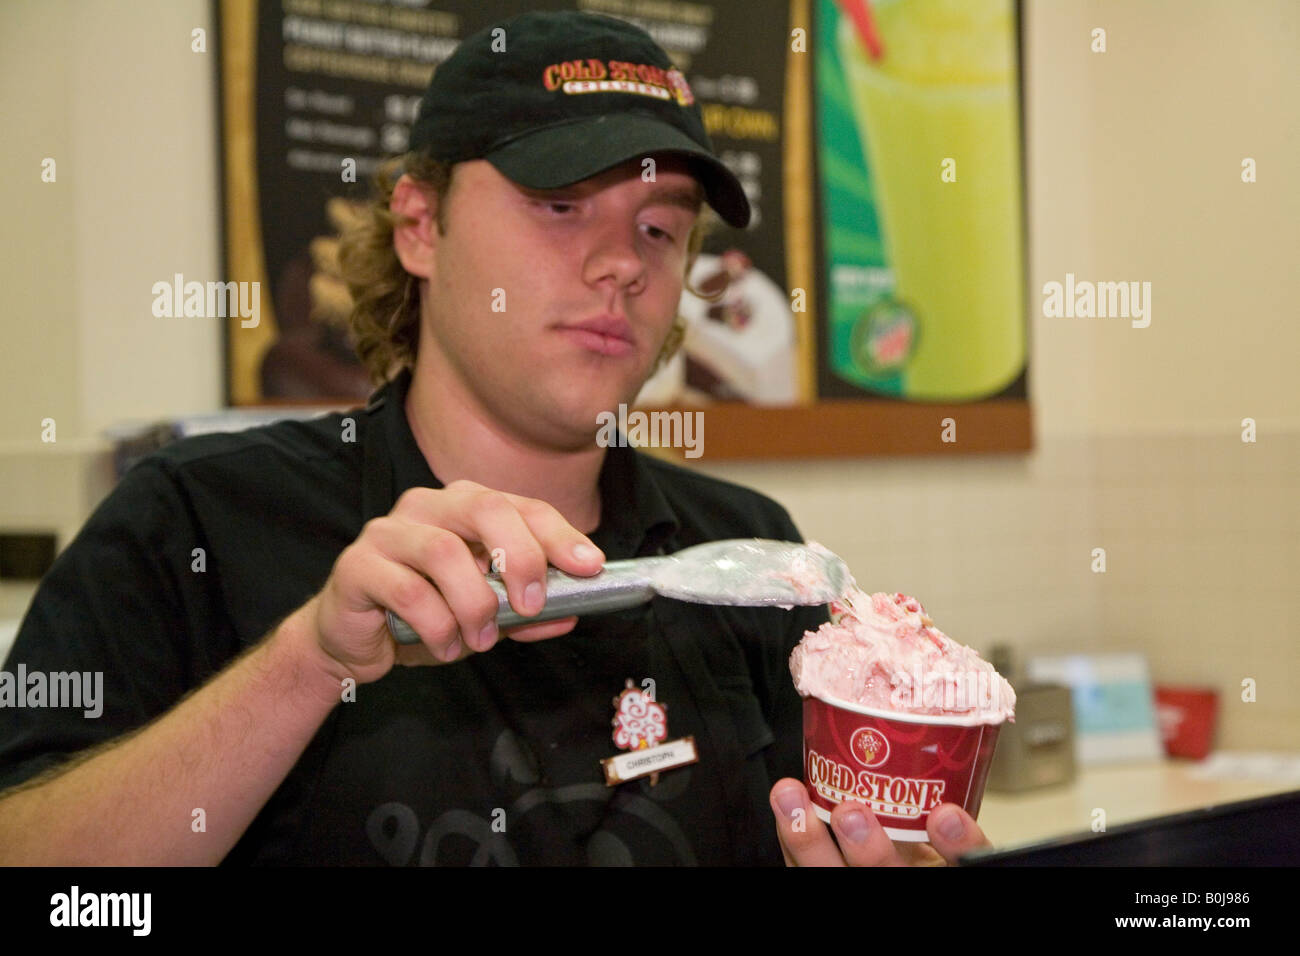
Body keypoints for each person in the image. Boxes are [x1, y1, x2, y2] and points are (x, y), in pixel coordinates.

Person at [0, 9, 989, 866]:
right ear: (418, 224)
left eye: (659, 226)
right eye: (560, 206)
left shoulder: (750, 557)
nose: (621, 267)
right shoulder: (193, 521)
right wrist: (307, 658)